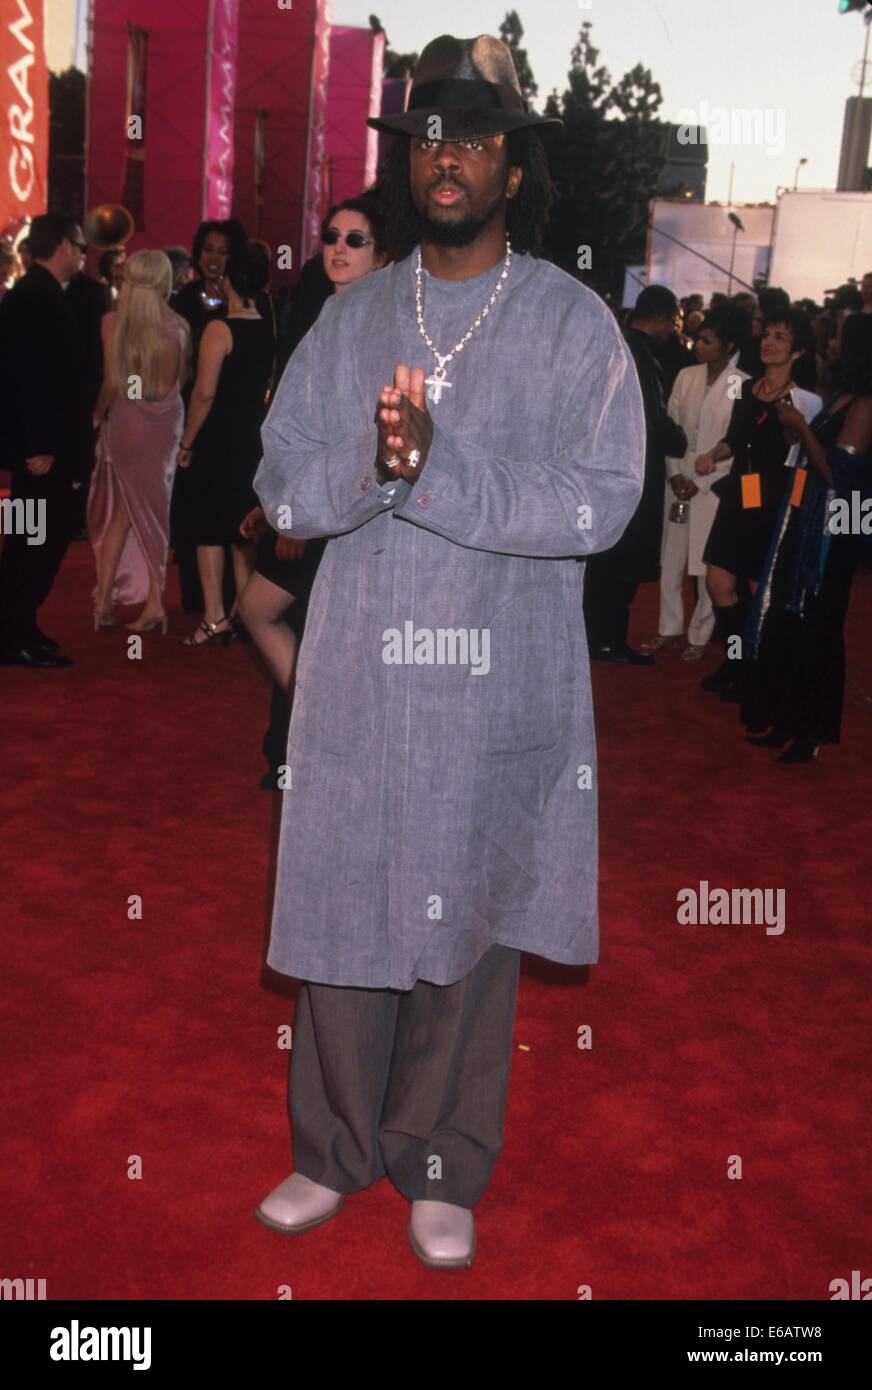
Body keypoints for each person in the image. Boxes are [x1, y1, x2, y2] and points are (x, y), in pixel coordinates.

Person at [250, 32, 645, 1269]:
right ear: (406, 163)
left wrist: (443, 471)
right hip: (361, 682)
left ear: (513, 169)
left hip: (497, 684)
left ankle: (438, 1161)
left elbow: (606, 501)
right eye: (428, 138)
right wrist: (376, 464)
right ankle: (329, 1149)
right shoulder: (350, 317)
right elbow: (278, 490)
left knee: (469, 920)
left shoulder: (573, 325)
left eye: (474, 139)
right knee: (339, 914)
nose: (448, 158)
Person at [238, 194, 388, 789]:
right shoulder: (325, 310)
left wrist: (302, 517)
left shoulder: (373, 322)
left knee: (275, 615)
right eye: (332, 236)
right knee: (277, 618)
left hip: (346, 510)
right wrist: (275, 503)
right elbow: (301, 425)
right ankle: (304, 740)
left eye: (356, 240)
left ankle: (313, 737)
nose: (339, 249)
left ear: (382, 256)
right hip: (318, 502)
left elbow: (356, 434)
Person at [741, 314, 872, 763]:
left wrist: (799, 426)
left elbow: (839, 473)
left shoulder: (864, 405)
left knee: (820, 626)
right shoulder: (844, 397)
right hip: (814, 517)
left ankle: (810, 731)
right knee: (794, 620)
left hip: (838, 526)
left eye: (838, 340)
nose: (830, 346)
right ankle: (788, 720)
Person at [697, 309, 821, 701]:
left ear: (798, 350)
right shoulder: (746, 389)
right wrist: (713, 454)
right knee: (718, 583)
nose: (768, 342)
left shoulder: (805, 401)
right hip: (739, 495)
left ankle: (756, 669)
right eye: (766, 334)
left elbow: (808, 459)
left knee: (760, 590)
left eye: (781, 337)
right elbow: (735, 437)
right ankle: (735, 660)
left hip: (774, 504)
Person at [0, 214, 89, 667]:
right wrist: (38, 445)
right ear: (63, 246)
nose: (83, 254)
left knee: (33, 541)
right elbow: (28, 378)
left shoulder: (39, 294)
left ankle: (20, 627)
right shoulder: (35, 297)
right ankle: (12, 634)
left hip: (39, 451)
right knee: (31, 542)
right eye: (80, 245)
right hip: (39, 455)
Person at [583, 284, 687, 665]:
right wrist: (680, 440)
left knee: (605, 560)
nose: (676, 329)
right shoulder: (641, 355)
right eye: (674, 320)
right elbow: (652, 419)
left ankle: (598, 638)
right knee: (620, 563)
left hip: (604, 467)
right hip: (630, 471)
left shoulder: (615, 340)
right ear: (661, 317)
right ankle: (607, 640)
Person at [177, 247, 275, 646]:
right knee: (242, 529)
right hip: (253, 437)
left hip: (217, 438)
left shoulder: (220, 329)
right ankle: (244, 617)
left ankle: (214, 616)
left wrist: (187, 441)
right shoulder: (269, 328)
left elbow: (203, 393)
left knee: (207, 529)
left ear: (230, 281)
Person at [88, 251, 190, 632]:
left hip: (125, 423)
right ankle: (154, 605)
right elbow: (167, 387)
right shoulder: (175, 328)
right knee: (154, 514)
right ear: (164, 282)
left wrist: (98, 414)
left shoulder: (111, 322)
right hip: (159, 430)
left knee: (123, 514)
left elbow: (113, 382)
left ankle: (102, 603)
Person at [642, 305, 749, 658]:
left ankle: (700, 635)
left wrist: (701, 481)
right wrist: (675, 475)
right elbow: (669, 428)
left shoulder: (739, 383)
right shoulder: (687, 375)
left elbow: (737, 441)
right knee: (671, 559)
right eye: (698, 338)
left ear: (728, 346)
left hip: (714, 486)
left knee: (706, 566)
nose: (698, 345)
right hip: (678, 482)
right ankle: (668, 627)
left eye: (707, 340)